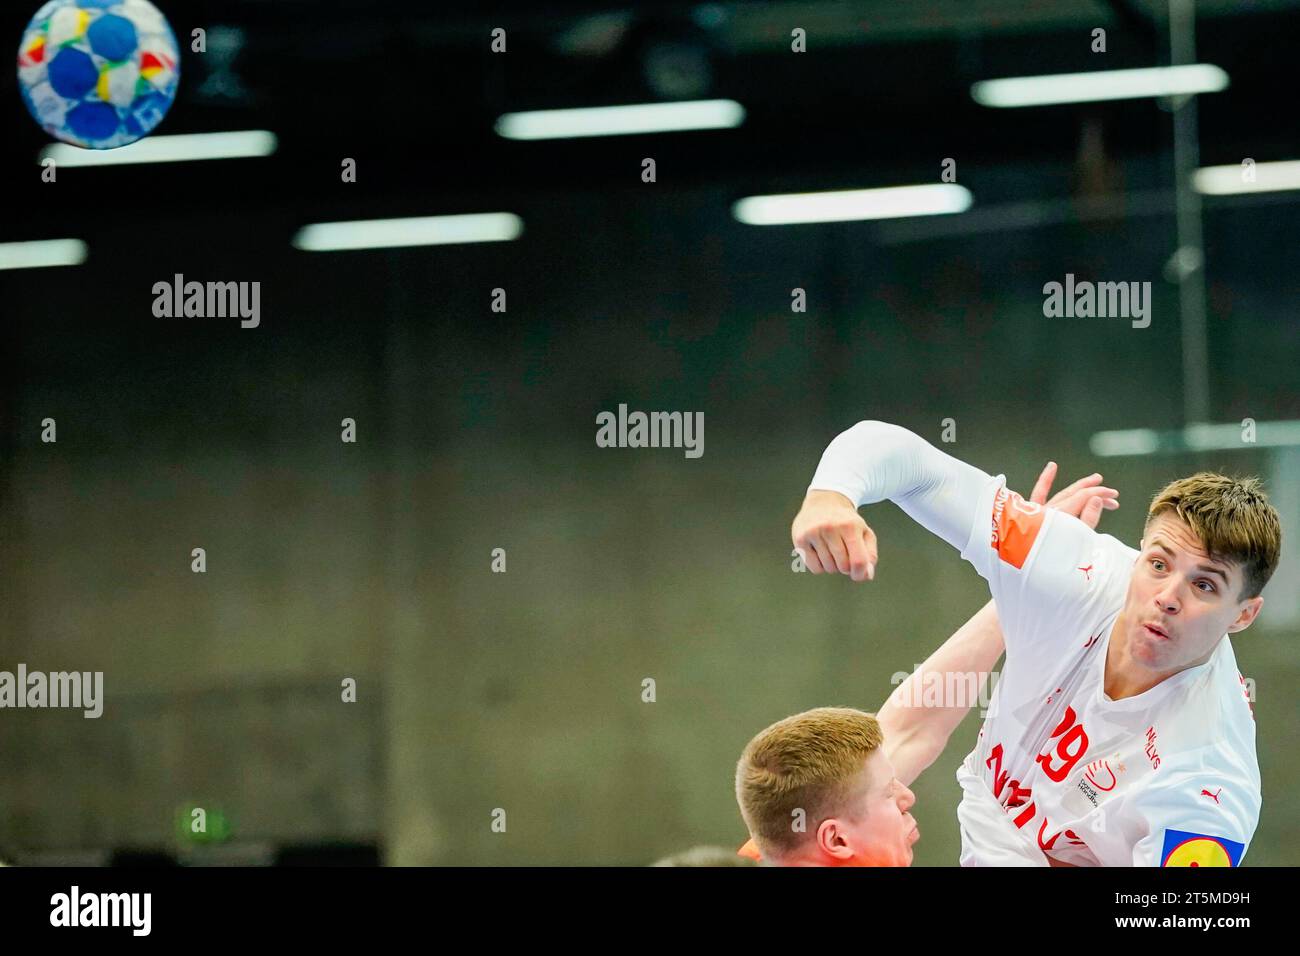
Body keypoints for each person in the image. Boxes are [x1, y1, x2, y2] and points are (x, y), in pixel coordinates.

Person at [791, 420, 1279, 866]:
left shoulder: (1210, 777)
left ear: (1244, 615)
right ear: (1137, 556)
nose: (1168, 597)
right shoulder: (1067, 565)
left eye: (1205, 586)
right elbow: (910, 462)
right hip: (985, 828)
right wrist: (831, 495)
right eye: (1158, 563)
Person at [734, 463, 1118, 866]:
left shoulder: (783, 844)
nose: (908, 796)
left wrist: (1025, 583)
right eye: (888, 792)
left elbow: (912, 726)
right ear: (837, 840)